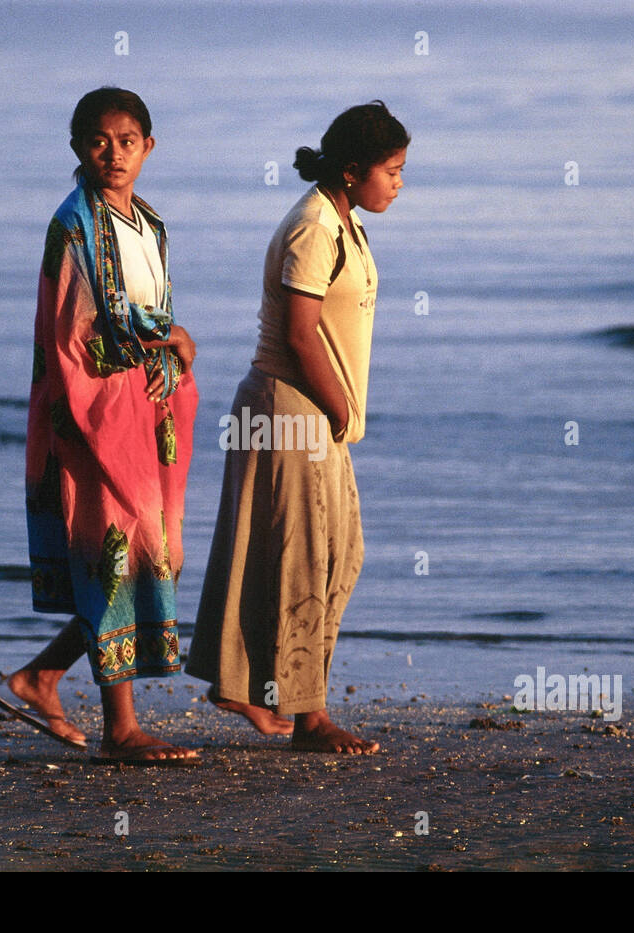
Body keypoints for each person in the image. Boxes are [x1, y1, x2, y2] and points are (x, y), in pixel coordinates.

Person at [187, 101, 408, 754]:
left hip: (305, 411)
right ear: (350, 172)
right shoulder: (315, 226)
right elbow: (299, 331)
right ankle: (306, 715)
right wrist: (339, 406)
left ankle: (245, 685)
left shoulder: (344, 222)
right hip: (291, 409)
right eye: (391, 171)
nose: (399, 183)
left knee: (331, 554)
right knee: (307, 561)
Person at [0, 87, 200, 765]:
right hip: (95, 410)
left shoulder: (151, 223)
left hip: (144, 411)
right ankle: (120, 729)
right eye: (99, 141)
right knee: (114, 550)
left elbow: (143, 304)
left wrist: (170, 350)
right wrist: (167, 337)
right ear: (79, 147)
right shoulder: (74, 224)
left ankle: (42, 675)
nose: (114, 153)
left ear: (150, 145)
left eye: (128, 139)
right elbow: (81, 324)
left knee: (149, 551)